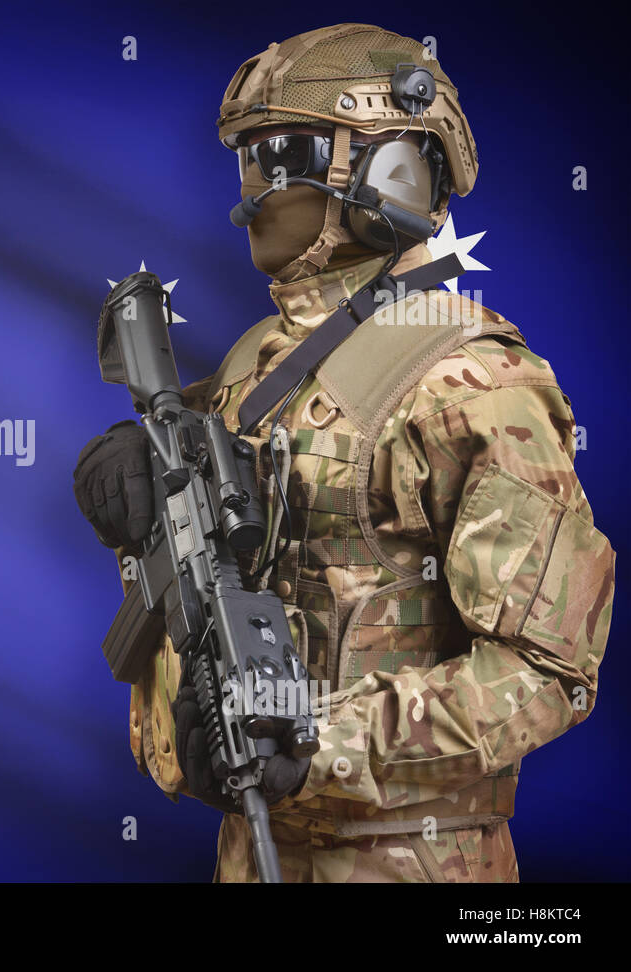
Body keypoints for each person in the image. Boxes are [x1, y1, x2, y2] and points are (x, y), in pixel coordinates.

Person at [72, 23, 615, 882]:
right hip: (253, 851)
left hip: (412, 864)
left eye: (281, 152)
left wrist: (318, 740)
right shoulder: (261, 358)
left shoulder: (472, 380)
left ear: (387, 169)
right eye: (248, 157)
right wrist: (126, 473)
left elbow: (547, 670)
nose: (255, 188)